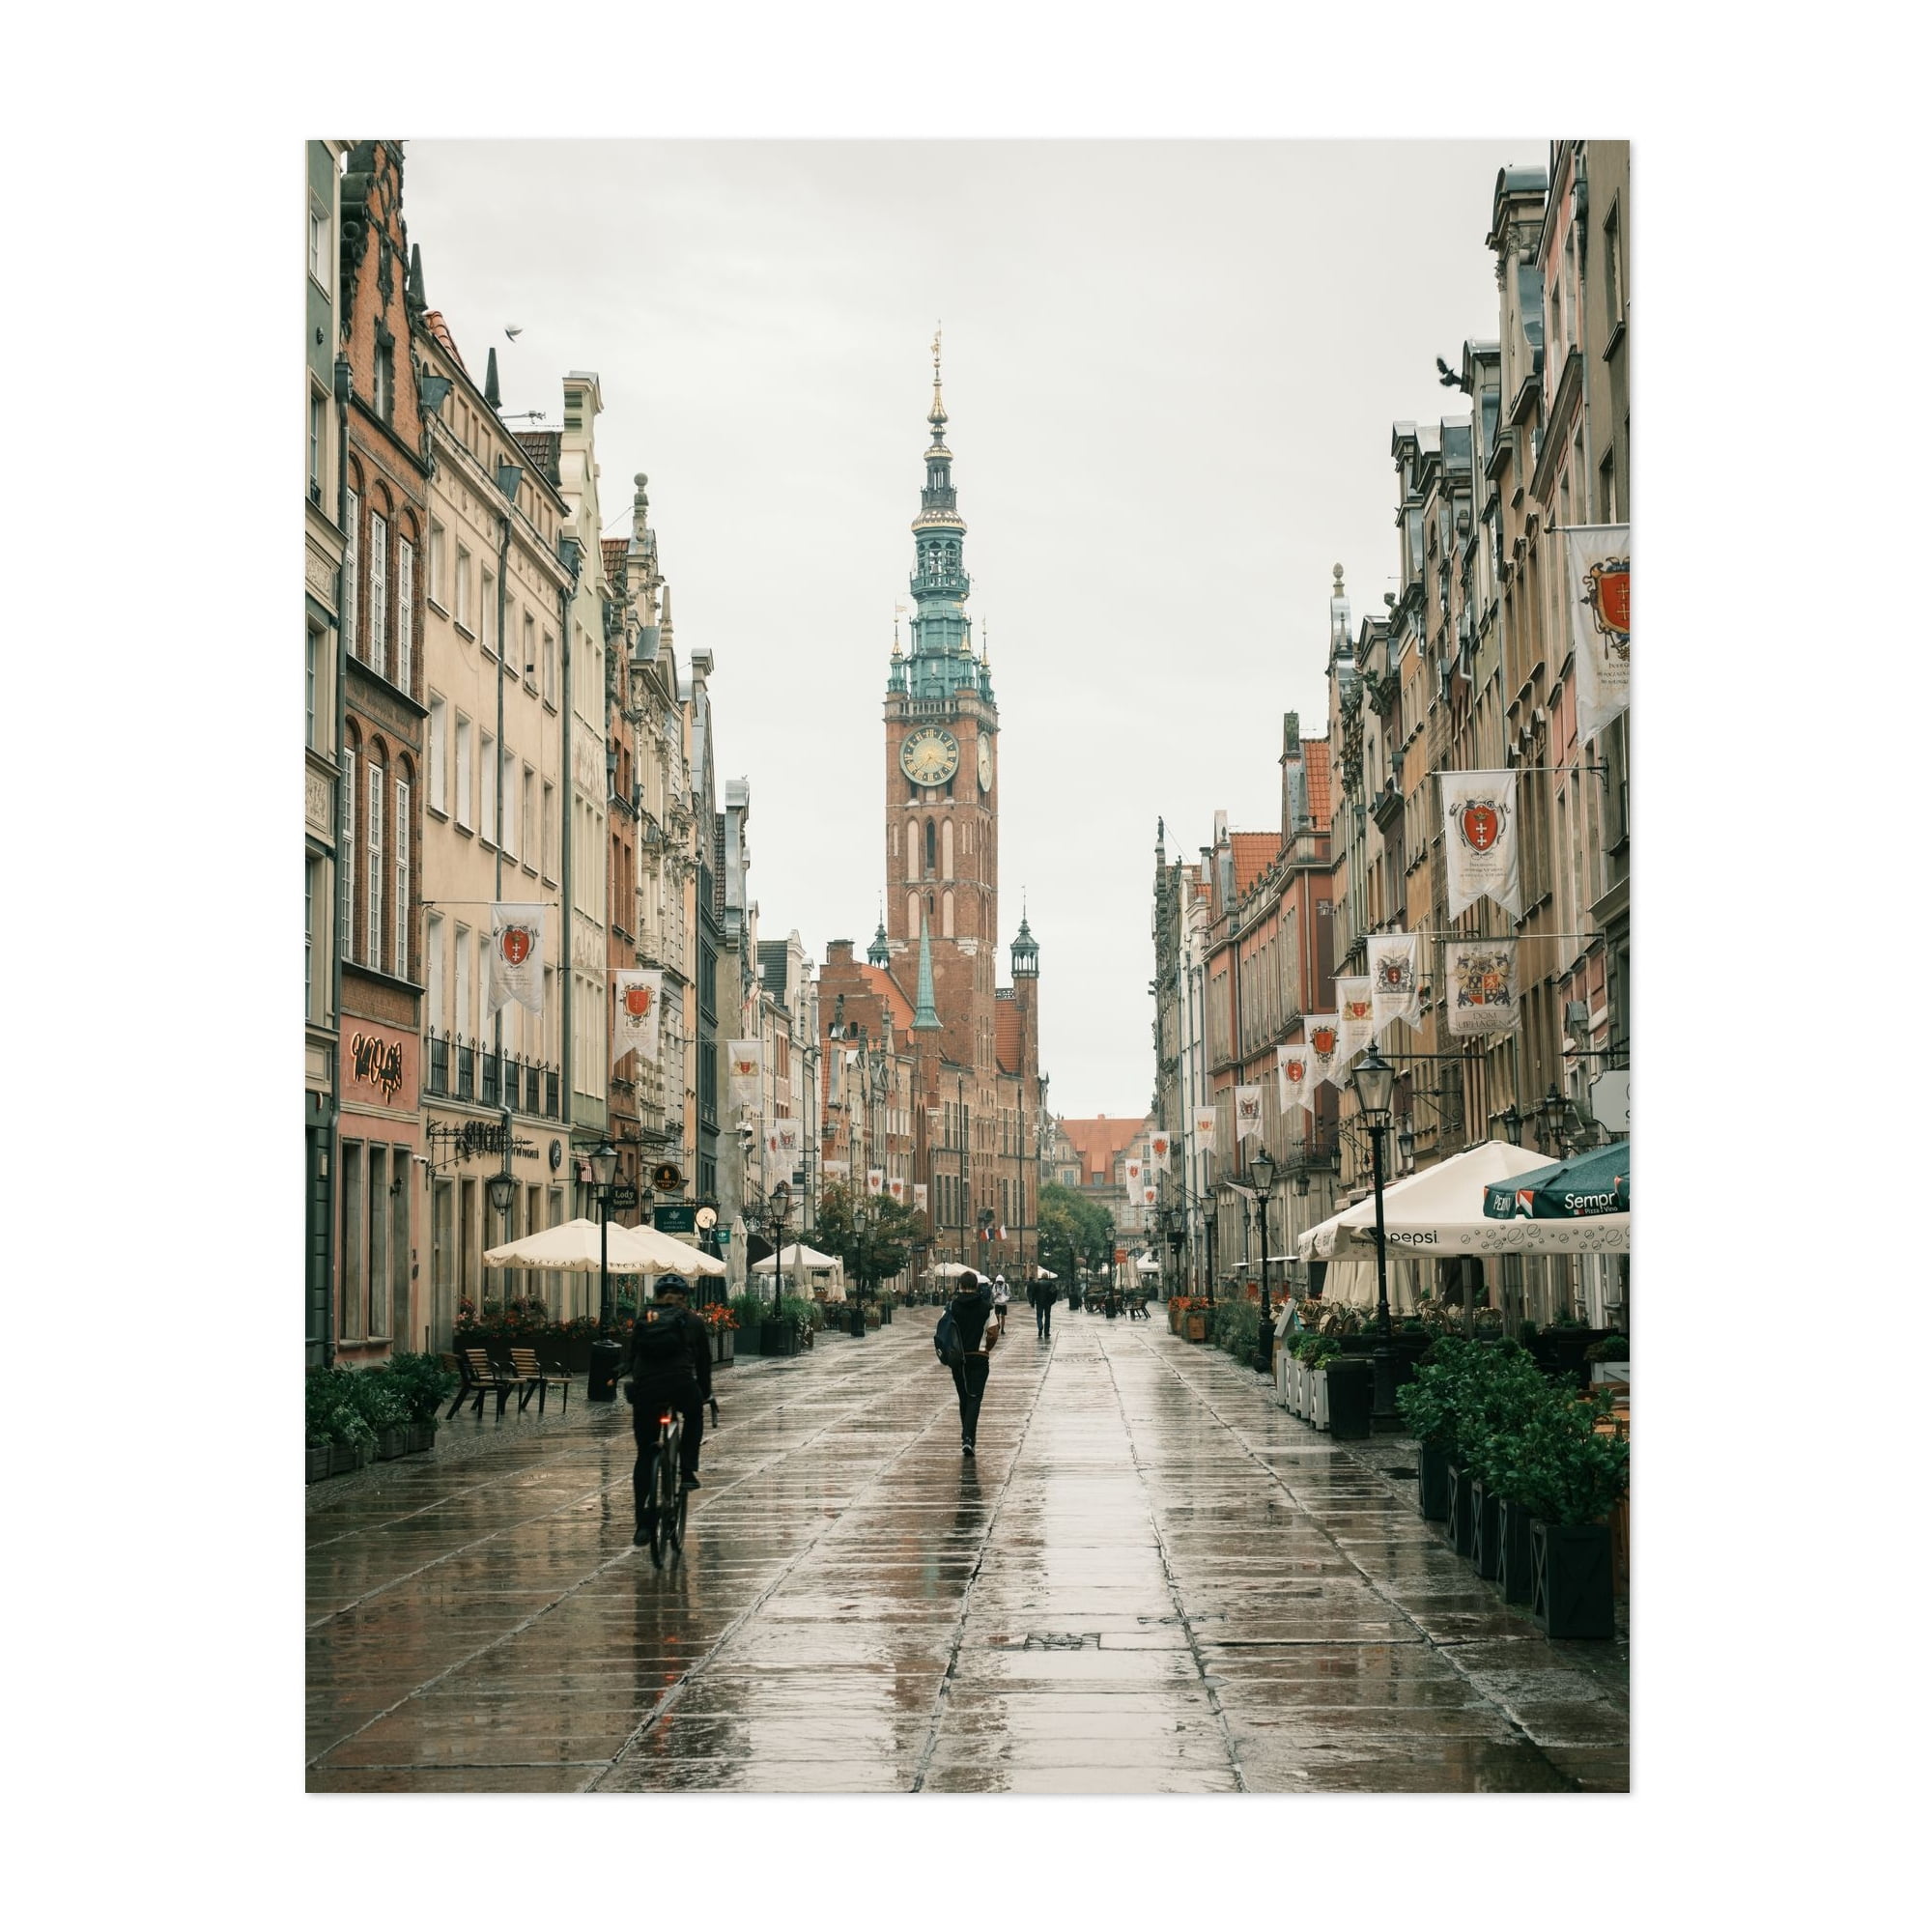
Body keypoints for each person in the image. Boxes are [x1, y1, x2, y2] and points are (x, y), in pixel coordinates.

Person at [623, 1275, 715, 1542]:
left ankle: (642, 1523)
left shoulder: (645, 1319)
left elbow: (632, 1357)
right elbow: (704, 1363)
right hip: (680, 1386)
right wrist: (705, 1393)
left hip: (646, 1390)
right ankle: (687, 1469)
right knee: (694, 1413)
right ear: (684, 1298)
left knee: (644, 1453)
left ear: (657, 1296)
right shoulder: (693, 1321)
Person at [938, 1268, 998, 1456]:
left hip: (958, 1358)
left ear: (960, 1286)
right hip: (979, 1356)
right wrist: (986, 1348)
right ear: (976, 1286)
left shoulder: (951, 1306)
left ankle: (967, 1436)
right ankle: (968, 1437)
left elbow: (942, 1330)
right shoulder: (986, 1306)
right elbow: (993, 1331)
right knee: (975, 1397)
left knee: (964, 1397)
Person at [1029, 1273, 1060, 1339]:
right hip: (1048, 1303)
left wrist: (1032, 1303)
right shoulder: (1051, 1283)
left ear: (1042, 1277)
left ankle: (1040, 1326)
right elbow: (1055, 1292)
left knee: (1039, 1316)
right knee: (1047, 1317)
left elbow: (1033, 1294)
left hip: (1039, 1302)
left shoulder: (1037, 1284)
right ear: (1047, 1277)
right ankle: (1046, 1332)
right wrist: (1052, 1301)